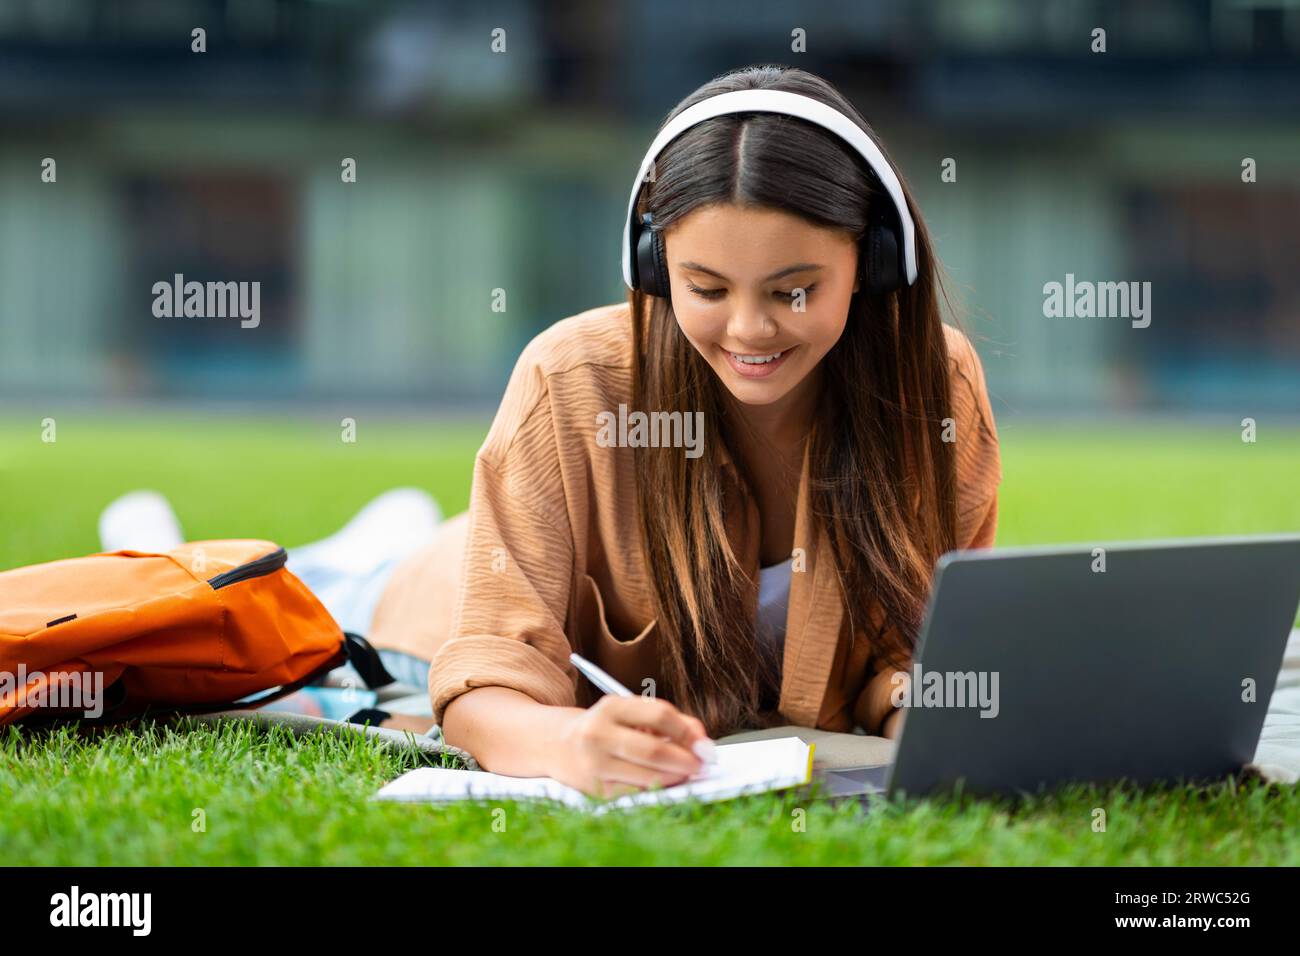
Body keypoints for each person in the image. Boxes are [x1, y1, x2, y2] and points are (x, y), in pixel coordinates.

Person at [108, 64, 1002, 801]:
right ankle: (167, 539)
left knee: (355, 552)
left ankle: (384, 523)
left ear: (876, 260)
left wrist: (921, 701)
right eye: (706, 288)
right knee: (233, 599)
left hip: (466, 541)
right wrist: (571, 743)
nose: (750, 331)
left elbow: (908, 646)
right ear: (654, 267)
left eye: (793, 289)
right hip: (433, 591)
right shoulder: (571, 380)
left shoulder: (934, 385)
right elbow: (487, 679)